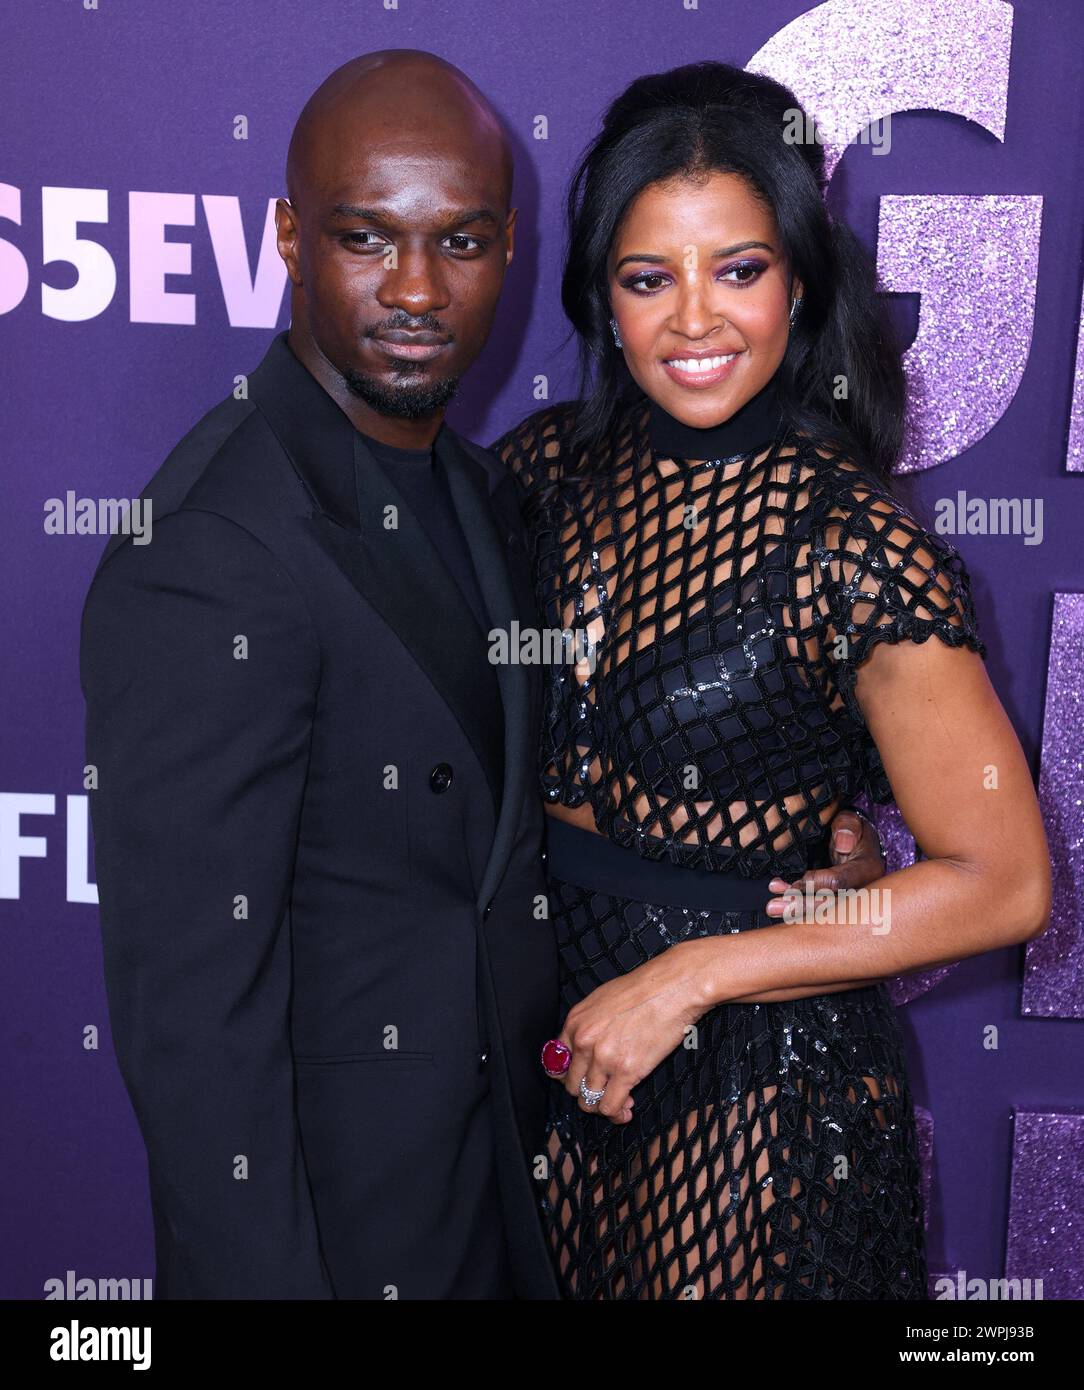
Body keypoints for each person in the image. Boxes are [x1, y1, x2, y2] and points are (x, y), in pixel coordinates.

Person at [80, 49, 885, 1300]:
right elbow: (191, 1035)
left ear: (510, 250)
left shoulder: (492, 488)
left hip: (526, 1186)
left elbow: (518, 813)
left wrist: (792, 868)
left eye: (459, 242)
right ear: (288, 237)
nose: (415, 287)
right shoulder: (212, 553)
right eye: (365, 236)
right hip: (336, 1236)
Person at [493, 61, 1051, 1300]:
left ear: (798, 283)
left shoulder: (851, 544)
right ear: (603, 299)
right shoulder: (536, 482)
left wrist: (698, 970)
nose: (695, 319)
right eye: (650, 279)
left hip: (758, 1088)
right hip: (551, 1058)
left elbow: (1004, 883)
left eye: (737, 269)